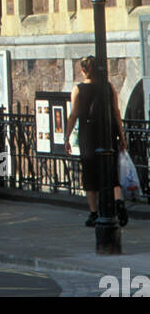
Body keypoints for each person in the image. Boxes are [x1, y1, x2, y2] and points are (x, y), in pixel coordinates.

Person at [64, 55, 129, 228]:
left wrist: (67, 136)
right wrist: (121, 136)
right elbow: (116, 112)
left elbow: (74, 115)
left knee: (89, 174)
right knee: (111, 171)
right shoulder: (108, 87)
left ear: (84, 70)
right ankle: (118, 203)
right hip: (107, 133)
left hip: (88, 135)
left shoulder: (78, 89)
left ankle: (94, 213)